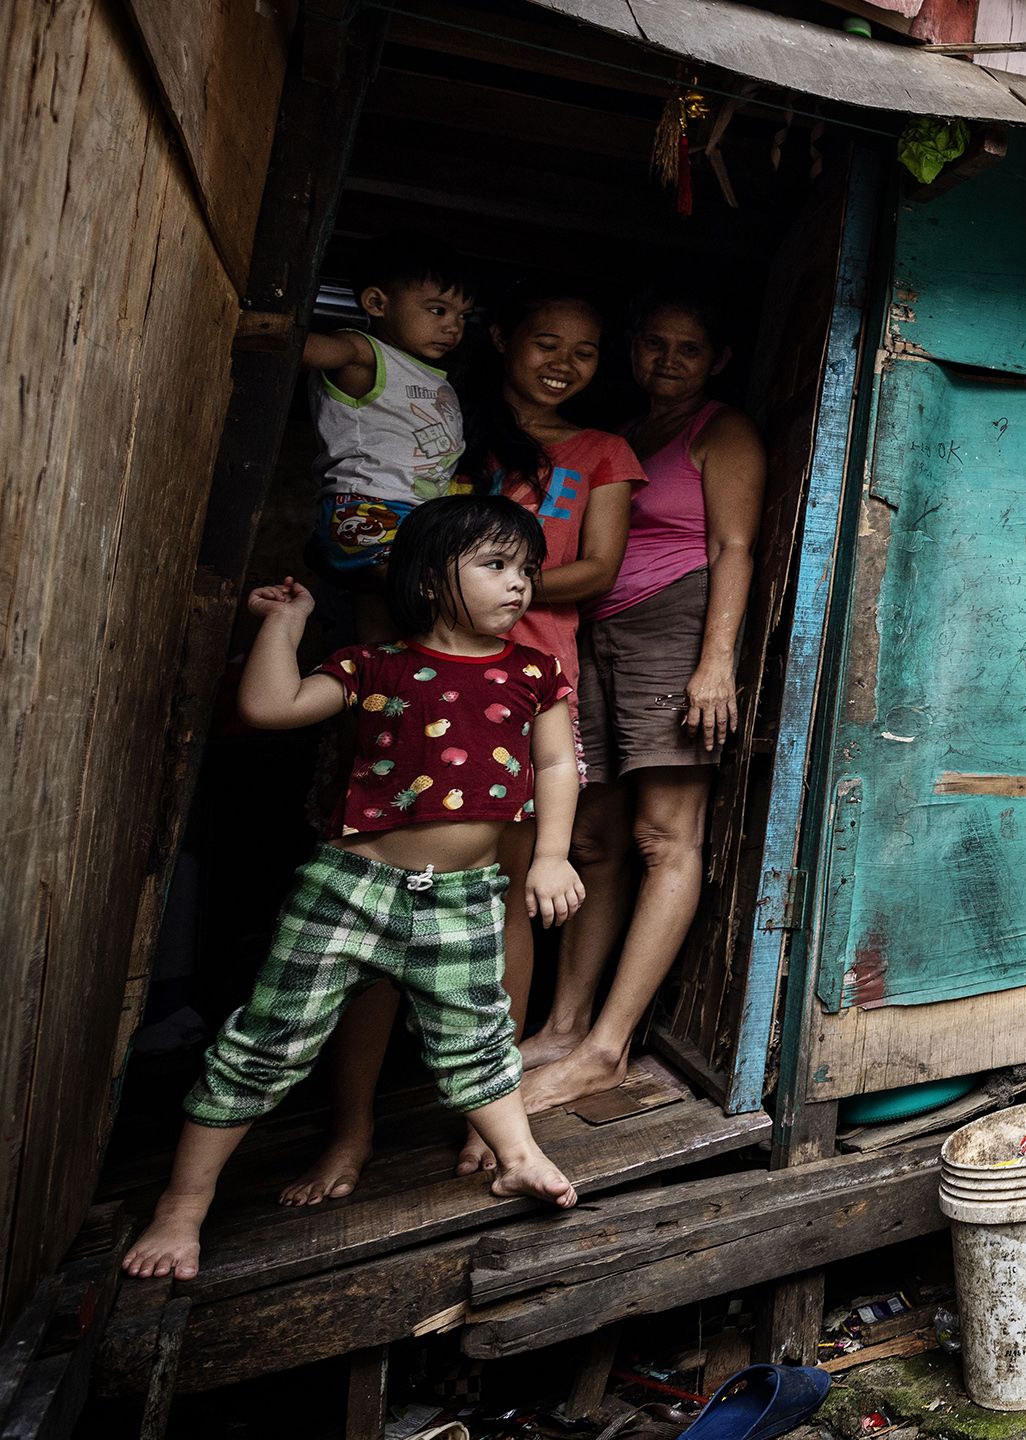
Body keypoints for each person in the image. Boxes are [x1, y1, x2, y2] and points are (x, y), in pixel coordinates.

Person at [123, 496, 583, 1281]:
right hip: (350, 888)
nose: (520, 586)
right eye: (497, 566)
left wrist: (550, 856)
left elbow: (553, 766)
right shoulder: (376, 665)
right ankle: (182, 1207)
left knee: (477, 1038)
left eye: (527, 571)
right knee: (265, 1043)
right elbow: (269, 706)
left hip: (465, 897)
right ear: (431, 581)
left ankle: (518, 1155)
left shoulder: (534, 672)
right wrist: (286, 622)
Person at [287, 295, 642, 1201]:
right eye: (546, 342)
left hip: (523, 690)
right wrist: (428, 599)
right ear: (503, 344)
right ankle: (353, 1127)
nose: (565, 361)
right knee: (369, 922)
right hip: (409, 688)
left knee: (505, 911)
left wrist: (486, 588)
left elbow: (597, 569)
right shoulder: (450, 426)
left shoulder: (598, 451)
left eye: (588, 349)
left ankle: (493, 1116)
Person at [515, 294, 767, 1113]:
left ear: (716, 360)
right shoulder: (624, 433)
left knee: (666, 835)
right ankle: (563, 1023)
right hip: (596, 634)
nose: (668, 360)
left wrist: (716, 663)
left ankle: (606, 1047)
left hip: (675, 626)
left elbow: (734, 546)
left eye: (687, 348)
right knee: (593, 836)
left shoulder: (720, 431)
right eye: (654, 345)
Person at [301, 239, 475, 638]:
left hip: (412, 520)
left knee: (390, 627)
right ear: (377, 304)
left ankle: (376, 686)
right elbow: (308, 348)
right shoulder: (364, 354)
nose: (453, 326)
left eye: (462, 316)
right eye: (438, 310)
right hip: (368, 511)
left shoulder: (430, 374)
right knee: (425, 594)